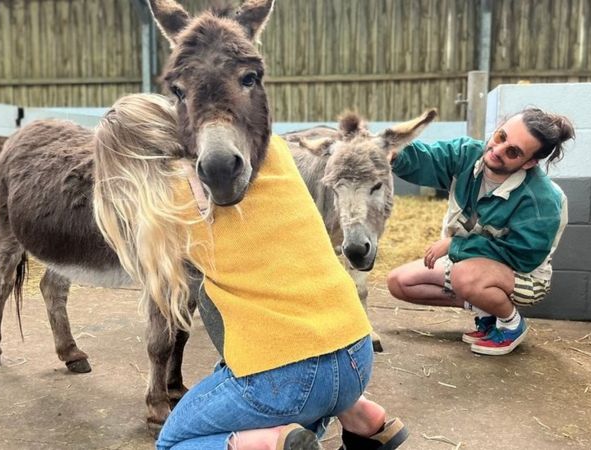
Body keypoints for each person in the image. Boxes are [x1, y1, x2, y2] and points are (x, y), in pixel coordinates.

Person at [154, 134, 410, 449]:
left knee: (172, 441)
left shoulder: (167, 187)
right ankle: (357, 413)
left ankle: (267, 442)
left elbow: (164, 275)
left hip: (286, 378)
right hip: (356, 354)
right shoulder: (273, 147)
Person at [386, 107, 575, 356]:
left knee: (464, 275)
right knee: (399, 282)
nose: (497, 151)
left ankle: (511, 324)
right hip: (470, 264)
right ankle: (486, 310)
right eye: (500, 137)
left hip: (524, 277)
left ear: (529, 162)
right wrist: (393, 153)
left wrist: (455, 246)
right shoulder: (467, 155)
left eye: (512, 152)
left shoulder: (542, 199)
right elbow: (428, 159)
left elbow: (523, 256)